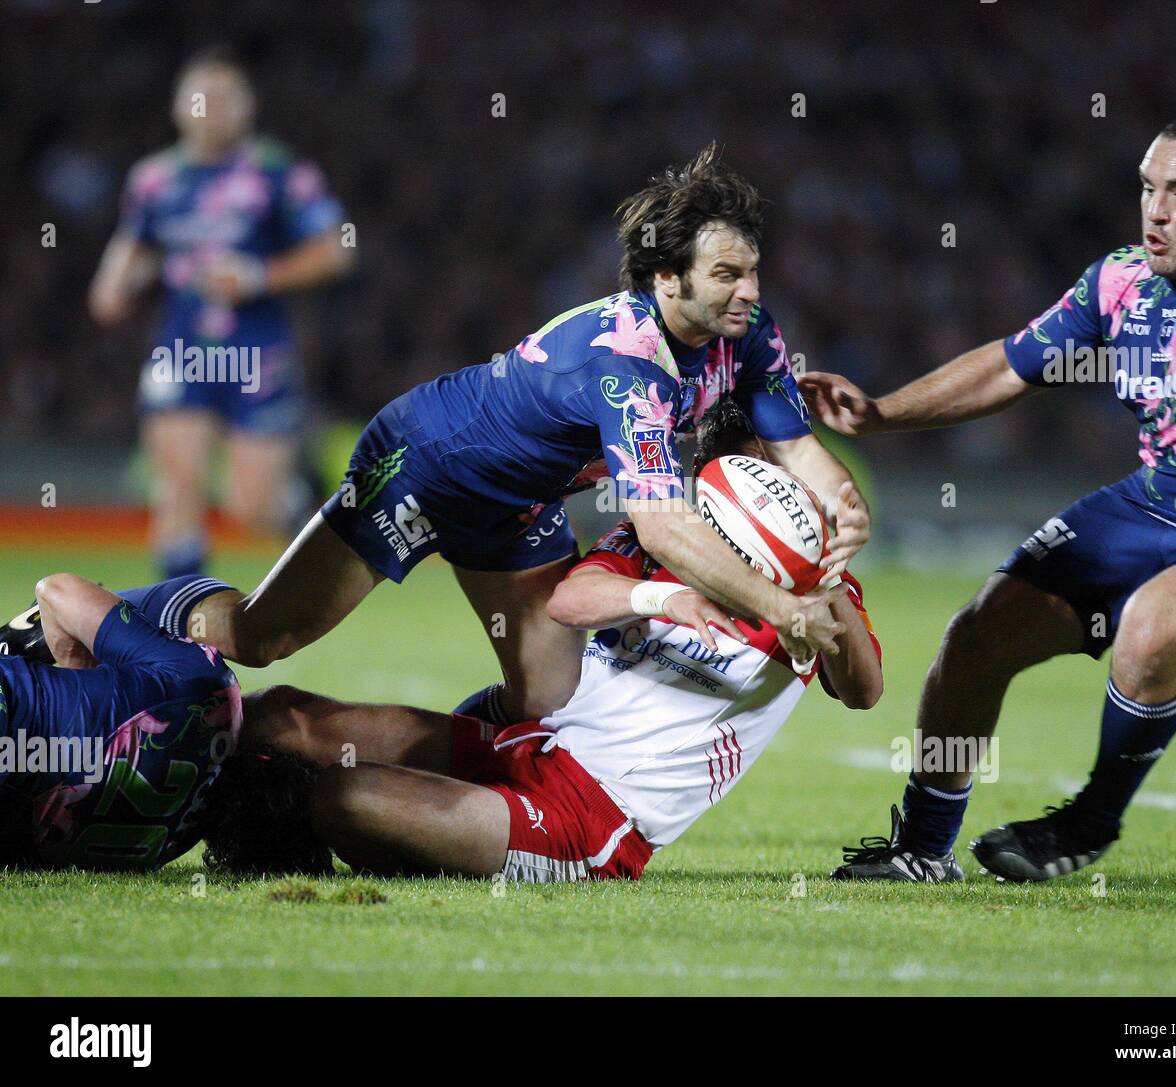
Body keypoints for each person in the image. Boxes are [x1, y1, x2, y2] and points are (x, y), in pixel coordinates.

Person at [186, 144, 870, 729]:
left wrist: (842, 506)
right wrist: (780, 606)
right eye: (726, 275)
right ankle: (134, 625)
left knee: (546, 697)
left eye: (752, 272)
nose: (749, 291)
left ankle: (424, 775)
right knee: (264, 636)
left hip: (517, 504)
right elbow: (661, 526)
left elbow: (796, 447)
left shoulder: (748, 336)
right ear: (667, 277)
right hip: (427, 463)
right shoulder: (626, 363)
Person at [798, 115, 1176, 882]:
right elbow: (1009, 366)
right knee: (978, 632)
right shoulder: (1121, 280)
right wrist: (883, 412)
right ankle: (922, 848)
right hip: (1150, 507)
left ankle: (1085, 824)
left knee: (1152, 630)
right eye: (1148, 189)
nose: (1157, 211)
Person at [238, 400, 883, 881]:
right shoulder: (657, 539)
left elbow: (864, 690)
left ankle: (281, 832)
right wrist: (668, 598)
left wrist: (822, 600)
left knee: (349, 795)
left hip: (589, 817)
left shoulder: (819, 596)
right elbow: (571, 601)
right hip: (526, 741)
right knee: (278, 718)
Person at [88, 47, 353, 579]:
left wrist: (260, 275)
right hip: (181, 346)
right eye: (202, 98)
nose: (214, 108)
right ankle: (180, 634)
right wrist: (117, 281)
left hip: (257, 350)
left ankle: (299, 505)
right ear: (179, 107)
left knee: (250, 508)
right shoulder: (154, 180)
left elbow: (337, 248)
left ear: (248, 106)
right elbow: (135, 248)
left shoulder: (277, 171)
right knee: (178, 486)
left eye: (227, 97)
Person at [0, 573, 330, 874]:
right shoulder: (157, 852)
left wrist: (80, 675)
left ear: (268, 757)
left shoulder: (208, 687)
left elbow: (57, 589)